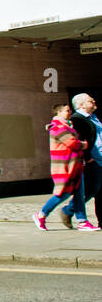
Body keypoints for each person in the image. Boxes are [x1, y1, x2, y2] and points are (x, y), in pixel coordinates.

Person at [35, 103, 97, 231]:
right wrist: (84, 144)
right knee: (63, 193)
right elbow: (71, 143)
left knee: (80, 194)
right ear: (59, 113)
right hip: (64, 166)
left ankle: (82, 221)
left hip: (75, 165)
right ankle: (41, 214)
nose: (69, 113)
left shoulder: (68, 126)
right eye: (67, 110)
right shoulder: (57, 126)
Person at [66, 93, 102, 229]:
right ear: (81, 105)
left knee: (98, 191)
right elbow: (78, 140)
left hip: (99, 158)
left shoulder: (93, 117)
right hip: (93, 160)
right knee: (92, 189)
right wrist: (88, 157)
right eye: (90, 100)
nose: (93, 101)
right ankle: (68, 210)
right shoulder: (77, 119)